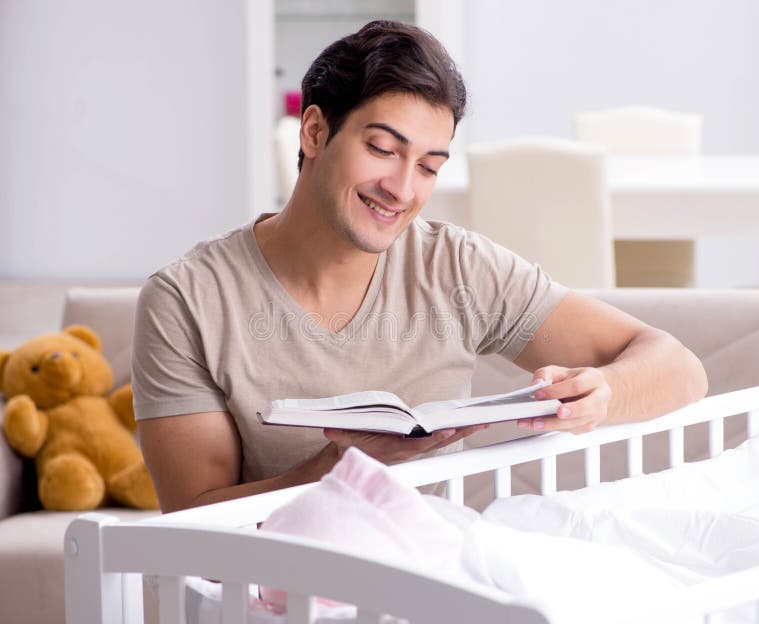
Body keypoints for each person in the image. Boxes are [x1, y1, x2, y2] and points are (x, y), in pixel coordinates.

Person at [133, 20, 707, 514]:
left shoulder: (458, 269)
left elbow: (680, 369)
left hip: (439, 588)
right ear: (314, 132)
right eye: (382, 149)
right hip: (283, 597)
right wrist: (344, 464)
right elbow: (193, 526)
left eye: (429, 166)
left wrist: (604, 391)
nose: (402, 189)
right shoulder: (187, 300)